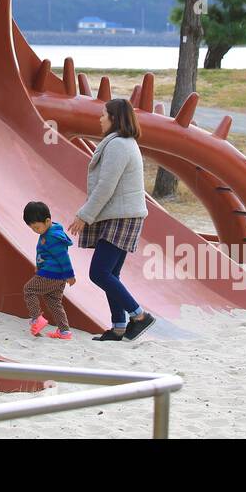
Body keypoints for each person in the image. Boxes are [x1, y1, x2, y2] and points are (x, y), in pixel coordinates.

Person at [68, 98, 157, 342]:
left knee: (99, 272)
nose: (100, 118)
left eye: (103, 114)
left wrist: (84, 216)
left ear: (115, 118)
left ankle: (138, 316)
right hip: (121, 214)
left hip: (122, 216)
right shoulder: (124, 143)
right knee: (110, 274)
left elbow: (106, 186)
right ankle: (118, 326)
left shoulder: (118, 145)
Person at [22, 201, 75, 340]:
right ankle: (64, 331)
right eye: (32, 228)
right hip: (57, 276)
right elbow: (45, 253)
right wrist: (39, 266)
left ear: (47, 221)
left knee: (29, 290)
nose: (35, 230)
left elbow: (63, 257)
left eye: (37, 227)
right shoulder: (50, 231)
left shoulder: (52, 237)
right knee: (54, 301)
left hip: (50, 274)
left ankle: (36, 318)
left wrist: (70, 275)